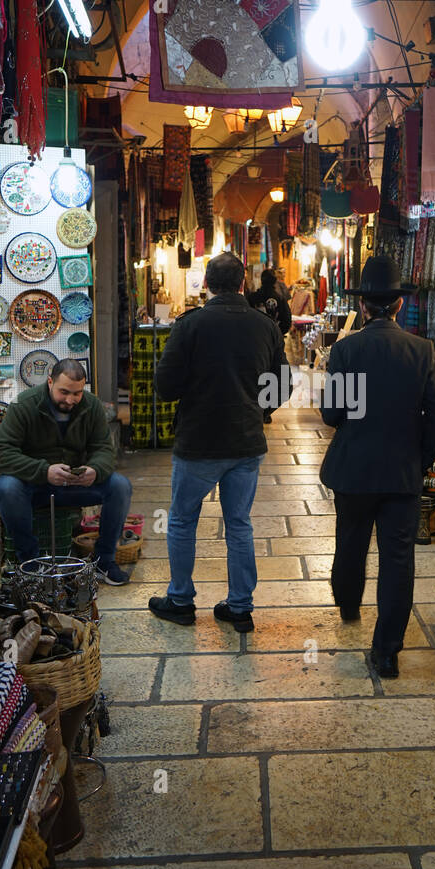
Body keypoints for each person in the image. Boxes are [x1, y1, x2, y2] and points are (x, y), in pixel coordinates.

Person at [150, 251, 292, 633]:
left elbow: (165, 387)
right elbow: (281, 388)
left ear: (207, 285)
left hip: (198, 440)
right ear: (243, 284)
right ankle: (240, 606)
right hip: (245, 442)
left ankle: (180, 600)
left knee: (181, 521)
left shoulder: (190, 325)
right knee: (239, 524)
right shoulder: (265, 327)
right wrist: (256, 409)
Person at [319, 255, 435, 678]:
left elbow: (332, 414)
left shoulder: (346, 349)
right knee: (397, 559)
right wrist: (421, 461)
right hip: (401, 474)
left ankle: (349, 604)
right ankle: (387, 653)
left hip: (353, 469)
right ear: (397, 305)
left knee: (350, 542)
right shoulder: (421, 350)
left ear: (363, 306)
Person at [0, 359, 132, 585]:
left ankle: (104, 561)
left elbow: (104, 449)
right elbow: (4, 452)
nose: (70, 400)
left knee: (120, 486)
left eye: (77, 393)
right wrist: (43, 471)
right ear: (50, 382)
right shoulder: (24, 405)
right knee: (8, 487)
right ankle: (30, 564)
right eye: (64, 392)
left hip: (74, 483)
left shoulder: (92, 406)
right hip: (35, 484)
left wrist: (94, 470)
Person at [249, 268, 292, 335]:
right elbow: (287, 322)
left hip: (256, 337)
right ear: (275, 281)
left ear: (261, 280)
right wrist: (277, 334)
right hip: (274, 337)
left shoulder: (252, 297)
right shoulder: (280, 298)